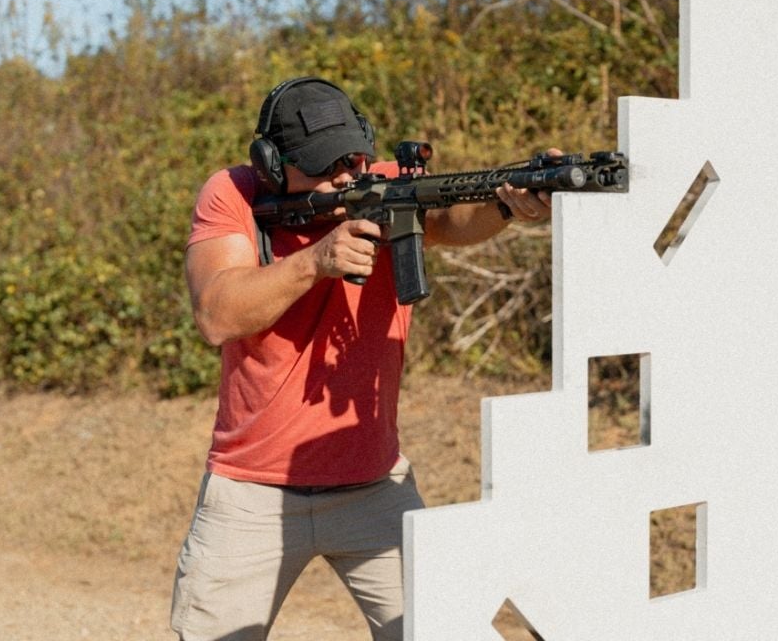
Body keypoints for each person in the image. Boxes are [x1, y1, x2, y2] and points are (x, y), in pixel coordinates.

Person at [170, 77, 552, 640]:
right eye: (325, 166)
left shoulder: (388, 186)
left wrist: (508, 201)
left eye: (353, 157)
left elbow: (451, 219)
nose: (345, 177)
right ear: (273, 165)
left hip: (375, 487)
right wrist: (315, 261)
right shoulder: (235, 193)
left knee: (446, 630)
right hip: (252, 492)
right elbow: (216, 314)